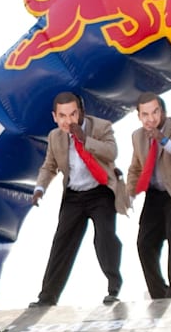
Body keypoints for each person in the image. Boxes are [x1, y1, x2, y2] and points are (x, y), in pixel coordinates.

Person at [29, 91, 127, 306]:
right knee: (62, 242)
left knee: (105, 237)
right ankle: (47, 297)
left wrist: (86, 140)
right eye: (62, 116)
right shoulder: (55, 136)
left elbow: (111, 152)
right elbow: (49, 166)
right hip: (74, 195)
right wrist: (39, 189)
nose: (68, 121)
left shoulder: (101, 127)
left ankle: (113, 285)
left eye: (73, 115)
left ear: (81, 113)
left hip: (100, 190)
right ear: (55, 117)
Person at [125, 92, 171, 299]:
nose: (151, 119)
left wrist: (165, 142)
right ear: (139, 116)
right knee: (144, 244)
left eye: (155, 112)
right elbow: (136, 168)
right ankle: (160, 295)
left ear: (163, 112)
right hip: (154, 195)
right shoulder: (137, 136)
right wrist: (129, 194)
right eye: (145, 114)